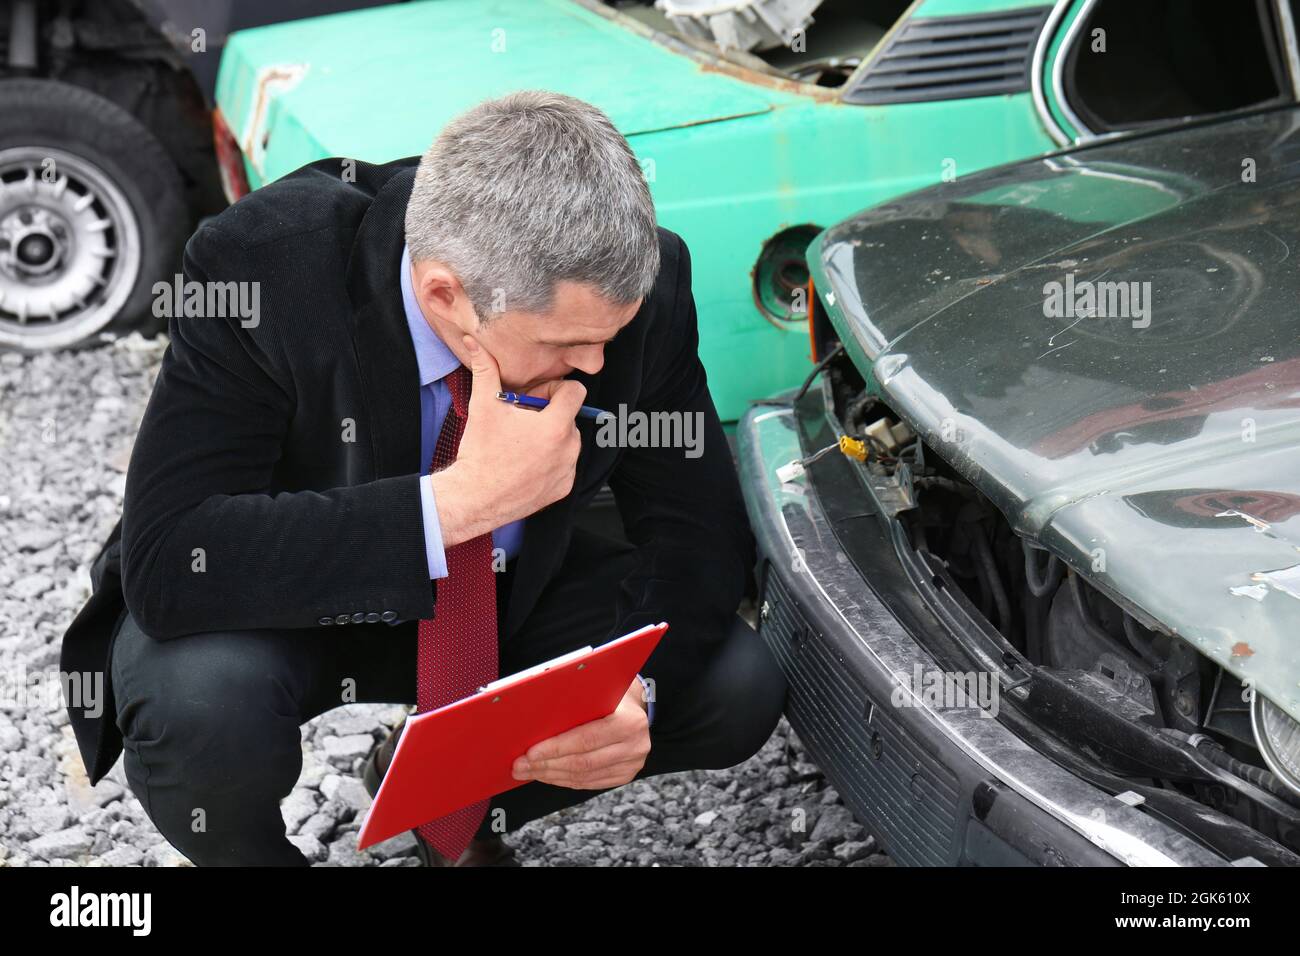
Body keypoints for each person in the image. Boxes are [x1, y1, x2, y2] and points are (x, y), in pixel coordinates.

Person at [60, 90, 787, 866]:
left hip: (507, 594)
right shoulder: (262, 266)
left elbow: (698, 529)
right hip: (292, 607)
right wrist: (453, 506)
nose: (596, 367)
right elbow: (172, 557)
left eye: (607, 338)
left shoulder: (639, 287)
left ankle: (450, 803)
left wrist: (639, 693)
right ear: (445, 294)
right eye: (566, 342)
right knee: (197, 704)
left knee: (733, 686)